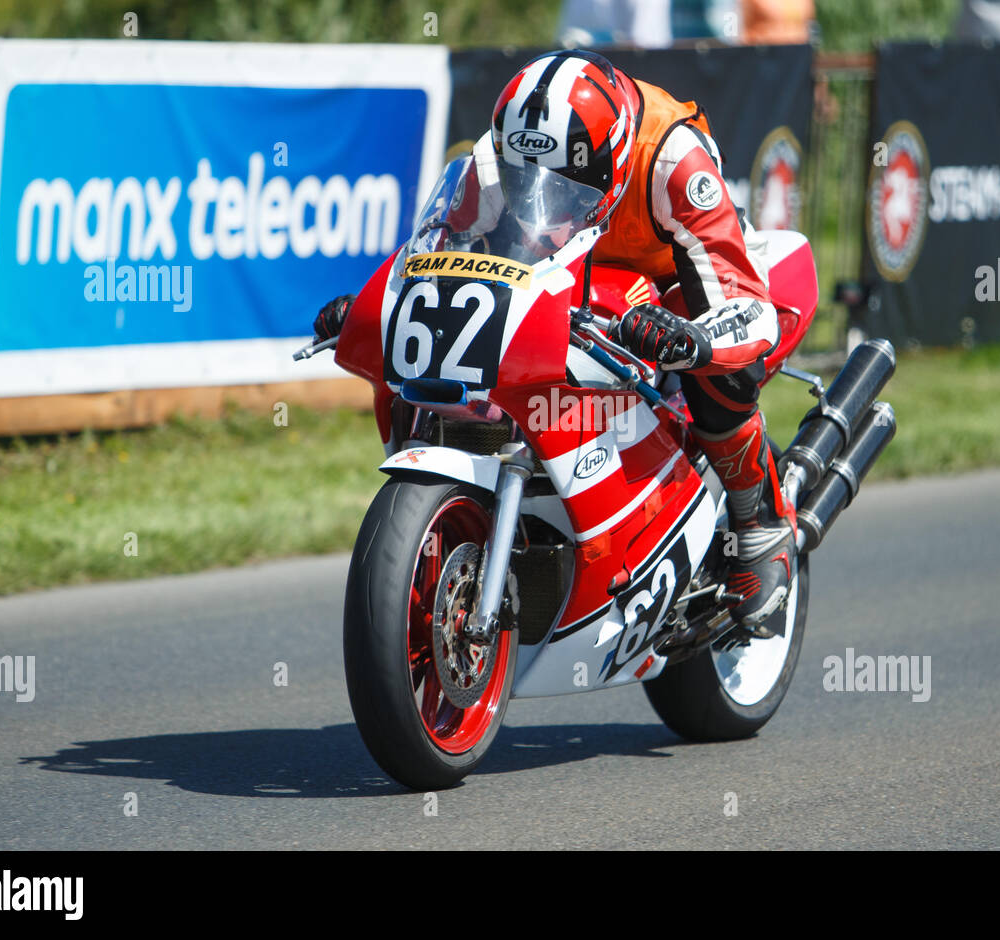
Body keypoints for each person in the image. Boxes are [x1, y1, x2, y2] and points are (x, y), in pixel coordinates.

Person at [314, 50, 808, 637]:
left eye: (571, 184)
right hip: (570, 274)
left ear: (617, 157)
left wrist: (696, 337)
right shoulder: (498, 160)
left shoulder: (675, 161)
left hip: (677, 277)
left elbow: (743, 302)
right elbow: (445, 250)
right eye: (528, 179)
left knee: (717, 375)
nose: (544, 198)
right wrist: (384, 303)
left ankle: (760, 528)